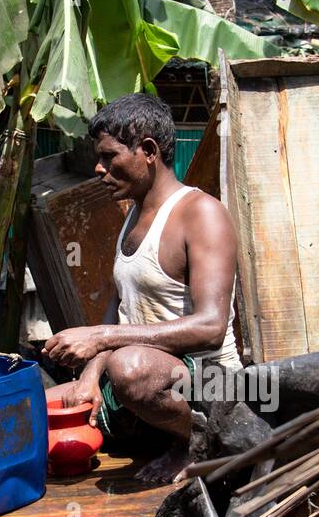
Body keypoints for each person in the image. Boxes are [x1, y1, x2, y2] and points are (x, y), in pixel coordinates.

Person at [42, 94, 242, 483]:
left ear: (148, 150)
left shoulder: (201, 213)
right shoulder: (133, 214)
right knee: (35, 410)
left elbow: (211, 327)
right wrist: (88, 375)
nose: (99, 169)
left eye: (110, 156)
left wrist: (100, 339)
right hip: (143, 381)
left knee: (129, 367)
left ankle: (202, 441)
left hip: (209, 383)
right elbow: (121, 312)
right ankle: (158, 430)